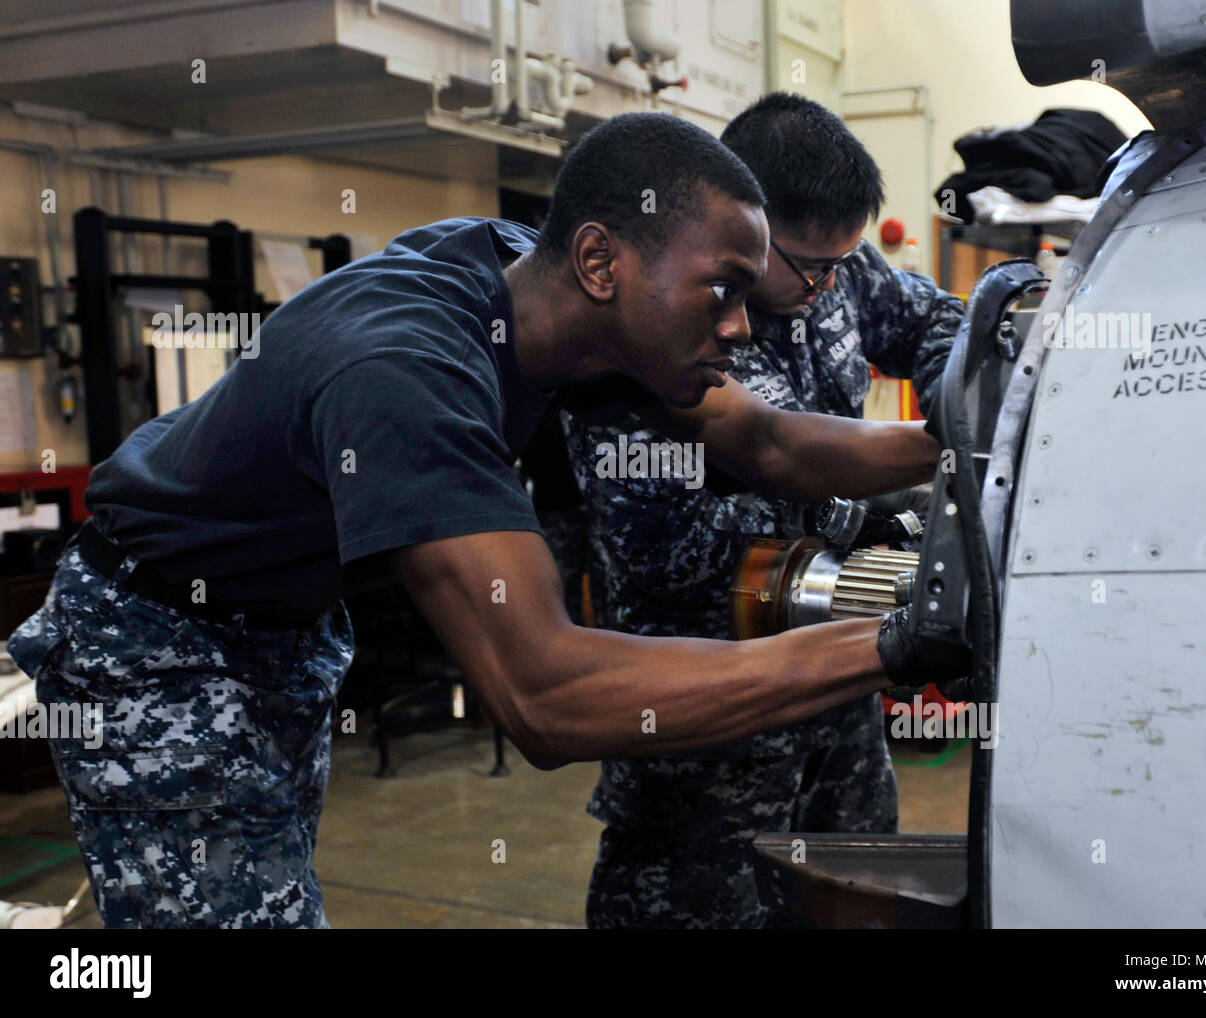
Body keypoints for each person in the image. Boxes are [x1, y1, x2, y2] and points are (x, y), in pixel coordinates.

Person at [7, 111, 964, 929]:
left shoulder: (547, 291)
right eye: (721, 287)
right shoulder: (408, 372)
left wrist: (968, 437)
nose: (743, 326)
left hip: (283, 624)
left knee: (264, 886)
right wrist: (898, 641)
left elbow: (771, 443)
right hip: (154, 637)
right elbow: (545, 695)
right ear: (600, 260)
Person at [562, 94, 966, 928]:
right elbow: (670, 554)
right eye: (806, 265)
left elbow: (935, 321)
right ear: (743, 217)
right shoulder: (654, 322)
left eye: (837, 267)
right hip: (708, 735)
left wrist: (964, 399)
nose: (823, 288)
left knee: (854, 904)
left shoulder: (834, 273)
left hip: (838, 707)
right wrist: (881, 520)